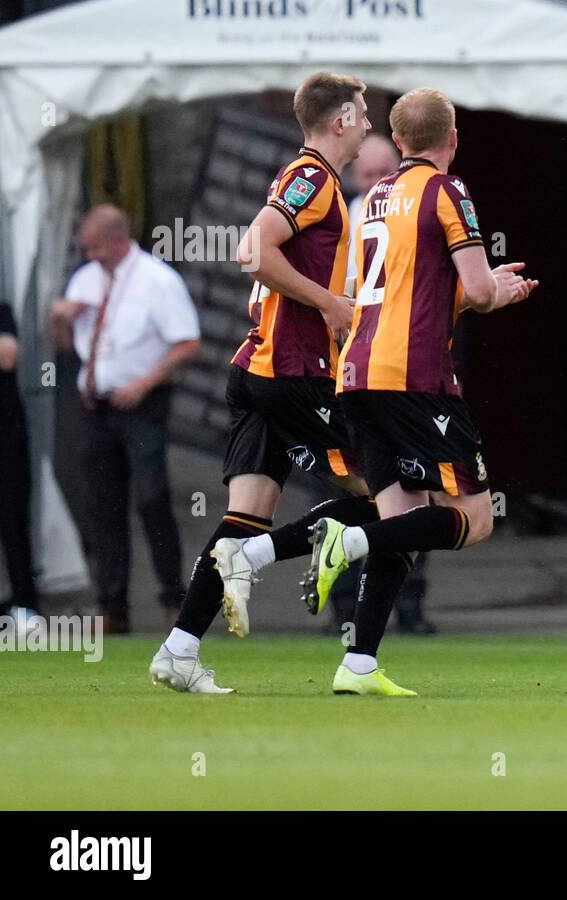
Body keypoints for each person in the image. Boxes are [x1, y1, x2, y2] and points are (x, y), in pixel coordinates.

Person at [300, 87, 536, 696]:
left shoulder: (373, 198)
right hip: (416, 377)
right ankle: (346, 539)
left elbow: (411, 290)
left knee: (402, 521)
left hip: (356, 374)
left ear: (398, 142)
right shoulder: (448, 190)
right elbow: (480, 292)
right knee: (475, 519)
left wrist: (473, 287)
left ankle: (358, 664)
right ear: (452, 138)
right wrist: (498, 291)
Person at [149, 72, 379, 693]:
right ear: (339, 121)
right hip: (292, 372)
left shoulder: (312, 178)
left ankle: (178, 648)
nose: (366, 124)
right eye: (360, 114)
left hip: (256, 372)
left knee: (244, 517)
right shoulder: (312, 178)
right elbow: (253, 251)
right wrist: (331, 303)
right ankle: (296, 573)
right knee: (386, 495)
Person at [50, 205, 201, 634]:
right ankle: (112, 605)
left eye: (97, 248)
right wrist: (60, 319)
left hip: (143, 404)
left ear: (118, 240)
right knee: (102, 505)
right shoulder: (85, 280)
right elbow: (66, 346)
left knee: (152, 500)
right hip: (96, 405)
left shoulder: (157, 281)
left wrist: (145, 382)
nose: (92, 256)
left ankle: (174, 599)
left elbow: (188, 346)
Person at [340, 134, 434, 636]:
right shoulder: (346, 217)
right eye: (368, 176)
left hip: (391, 368)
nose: (376, 183)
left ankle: (410, 605)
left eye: (383, 173)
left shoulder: (410, 207)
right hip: (372, 367)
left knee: (411, 490)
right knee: (366, 486)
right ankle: (344, 608)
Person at [0, 300, 39, 633]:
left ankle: (25, 604)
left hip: (6, 435)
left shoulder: (2, 310)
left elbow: (8, 355)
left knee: (13, 519)